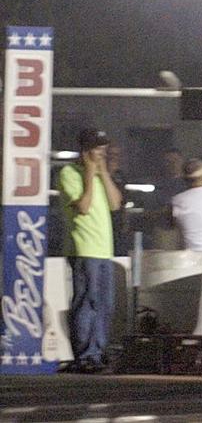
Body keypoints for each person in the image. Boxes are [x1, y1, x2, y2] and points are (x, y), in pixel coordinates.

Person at [58, 128, 122, 373]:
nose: (101, 153)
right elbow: (83, 206)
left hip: (104, 249)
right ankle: (85, 353)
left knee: (105, 304)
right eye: (97, 149)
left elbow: (115, 203)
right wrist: (88, 173)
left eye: (103, 149)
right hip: (83, 248)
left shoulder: (99, 175)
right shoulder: (69, 173)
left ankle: (99, 350)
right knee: (87, 302)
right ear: (85, 151)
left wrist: (103, 172)